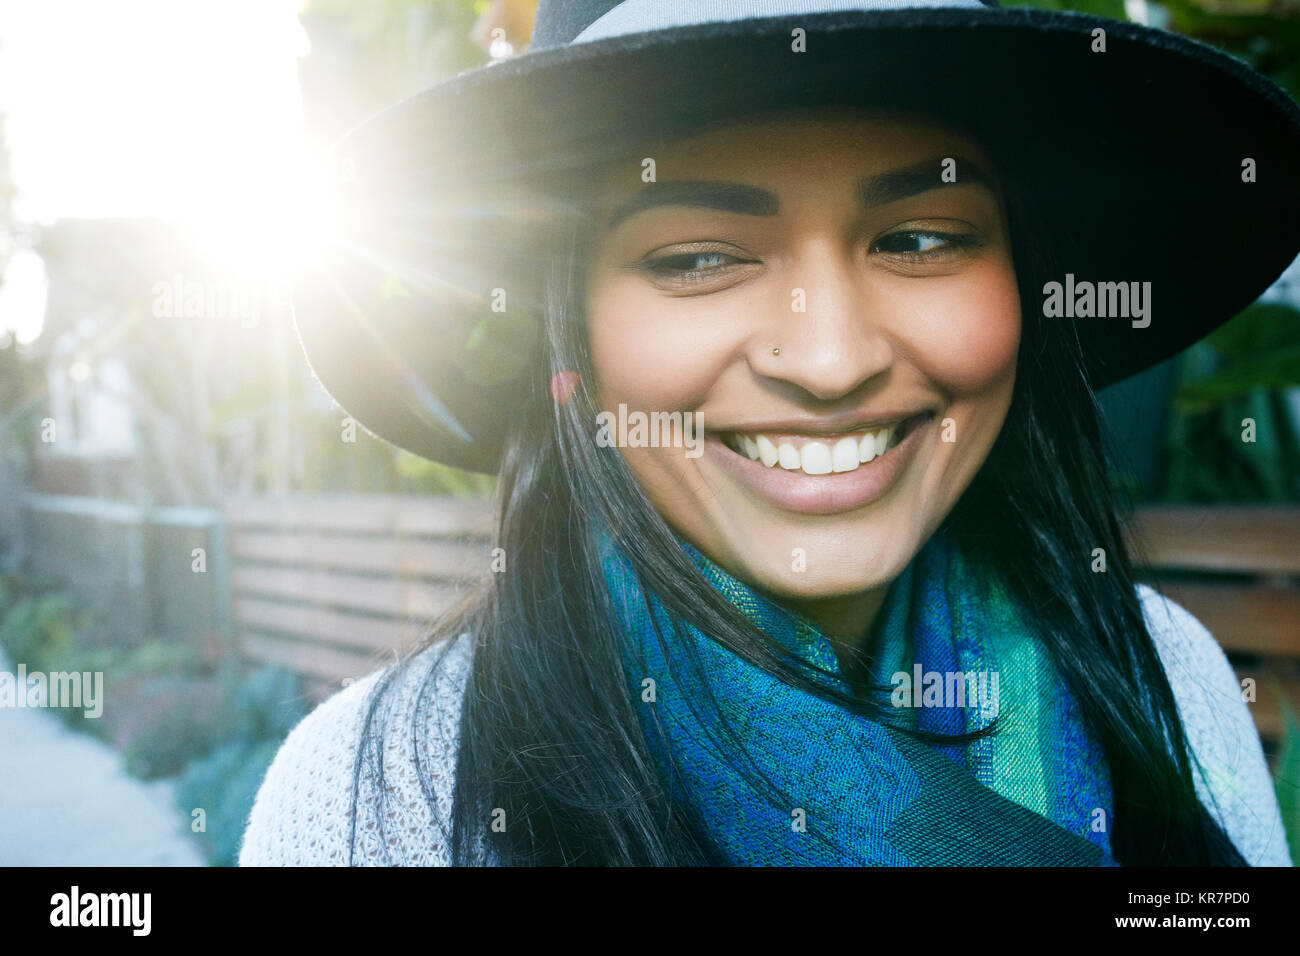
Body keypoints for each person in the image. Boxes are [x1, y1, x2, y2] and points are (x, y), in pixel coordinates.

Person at [239, 0, 1300, 866]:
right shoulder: (378, 801)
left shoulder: (1166, 673)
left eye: (922, 237)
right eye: (697, 257)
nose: (830, 360)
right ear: (570, 348)